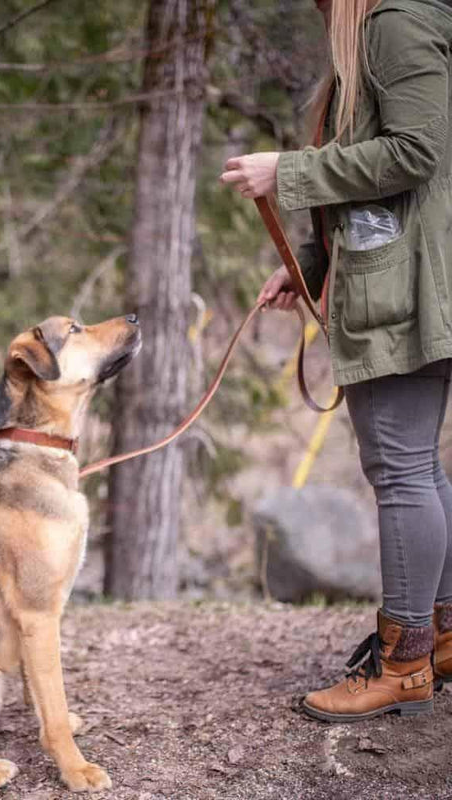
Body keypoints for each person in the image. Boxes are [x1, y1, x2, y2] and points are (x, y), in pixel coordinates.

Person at [221, 0, 452, 722]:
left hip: (407, 287)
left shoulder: (391, 21)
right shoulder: (372, 24)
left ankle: (406, 662)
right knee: (421, 467)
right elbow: (376, 177)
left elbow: (419, 151)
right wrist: (312, 263)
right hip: (397, 276)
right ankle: (439, 635)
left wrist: (289, 170)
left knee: (401, 469)